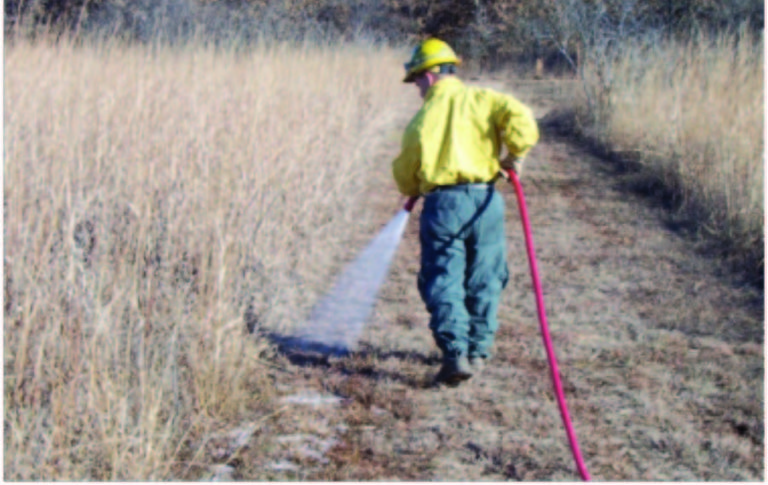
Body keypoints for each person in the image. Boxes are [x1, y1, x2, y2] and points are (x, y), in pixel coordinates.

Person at [392, 38, 540, 386]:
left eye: (416, 80)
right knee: (486, 276)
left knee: (444, 276)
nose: (416, 88)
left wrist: (413, 188)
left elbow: (405, 176)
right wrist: (514, 157)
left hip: (443, 206)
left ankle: (455, 353)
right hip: (486, 201)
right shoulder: (485, 100)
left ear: (429, 75)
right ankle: (477, 351)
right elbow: (522, 121)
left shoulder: (420, 122)